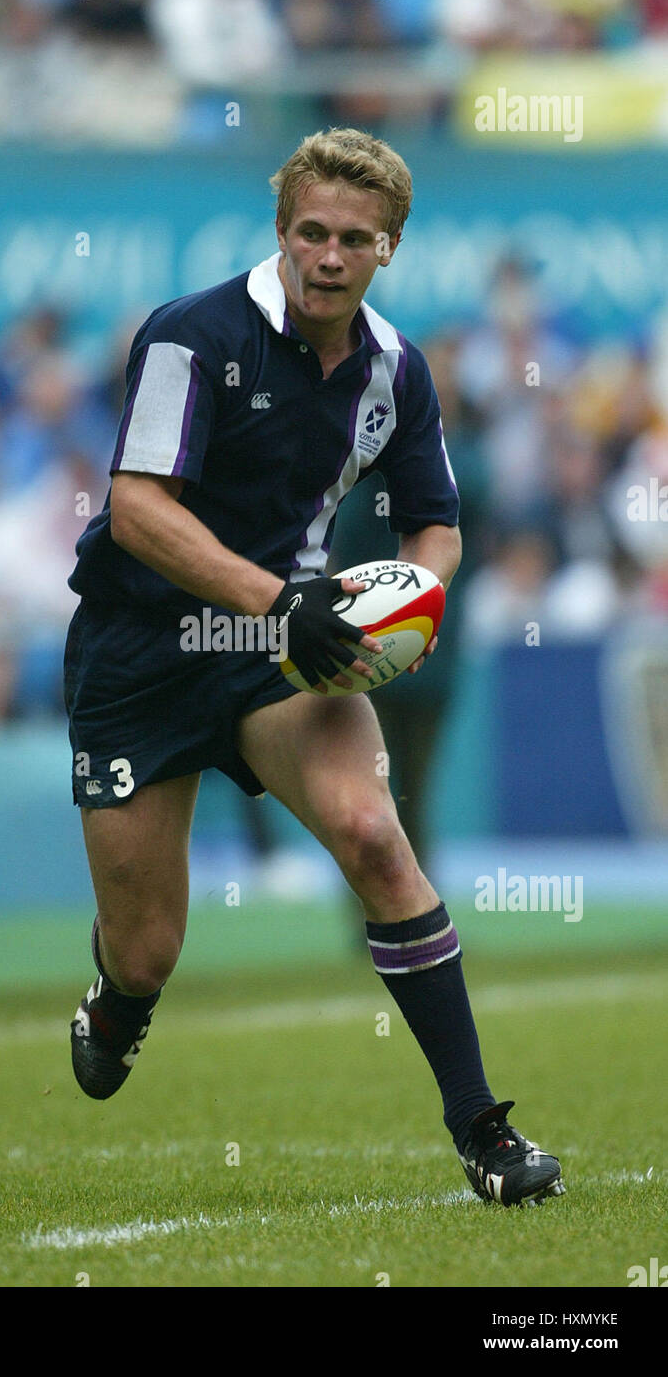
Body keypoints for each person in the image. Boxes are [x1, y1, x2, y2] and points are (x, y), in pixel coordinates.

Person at [63, 127, 564, 1208]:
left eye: (354, 239)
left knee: (376, 837)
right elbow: (137, 510)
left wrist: (409, 610)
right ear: (280, 231)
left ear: (387, 248)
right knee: (148, 953)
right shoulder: (190, 335)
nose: (328, 256)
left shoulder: (395, 368)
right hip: (142, 650)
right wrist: (278, 601)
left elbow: (436, 524)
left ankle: (482, 1130)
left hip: (278, 652)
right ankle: (112, 1000)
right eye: (310, 233)